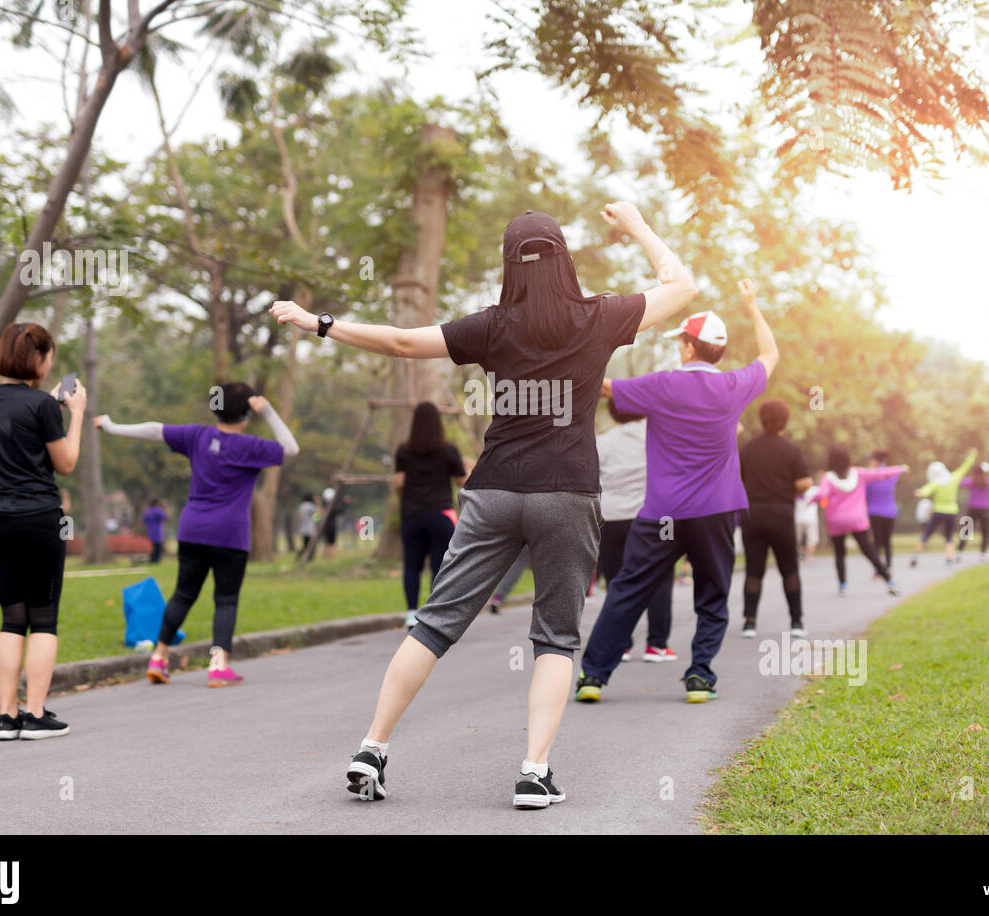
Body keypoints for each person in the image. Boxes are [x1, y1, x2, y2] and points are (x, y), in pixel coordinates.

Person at [271, 202, 696, 809]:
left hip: (494, 490)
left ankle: (371, 746)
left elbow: (397, 342)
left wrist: (319, 323)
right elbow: (681, 287)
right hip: (567, 494)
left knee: (437, 622)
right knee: (554, 639)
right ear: (565, 260)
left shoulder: (492, 326)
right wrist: (635, 226)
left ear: (509, 266)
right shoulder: (599, 316)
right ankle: (533, 773)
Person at [578, 288, 778, 706]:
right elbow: (770, 355)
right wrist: (754, 308)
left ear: (688, 347)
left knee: (628, 590)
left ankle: (594, 676)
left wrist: (562, 357)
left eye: (681, 343)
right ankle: (700, 677)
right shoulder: (735, 385)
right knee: (713, 593)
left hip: (662, 515)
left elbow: (603, 388)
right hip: (717, 511)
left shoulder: (662, 385)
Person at [95, 383, 298, 687]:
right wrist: (266, 410)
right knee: (225, 600)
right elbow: (291, 448)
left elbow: (154, 430)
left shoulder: (196, 436)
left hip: (193, 530)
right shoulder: (251, 447)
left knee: (183, 594)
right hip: (230, 535)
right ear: (245, 415)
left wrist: (111, 427)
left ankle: (159, 659)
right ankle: (218, 667)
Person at [0, 322, 85, 741]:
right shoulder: (43, 407)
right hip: (40, 519)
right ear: (37, 358)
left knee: (10, 619)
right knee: (43, 618)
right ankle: (35, 715)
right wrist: (75, 414)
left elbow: (17, 434)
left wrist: (49, 407)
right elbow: (66, 463)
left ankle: (6, 716)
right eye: (49, 354)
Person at [597, 396, 676, 662]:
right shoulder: (657, 438)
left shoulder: (602, 442)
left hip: (610, 518)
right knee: (661, 577)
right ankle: (657, 645)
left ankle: (622, 644)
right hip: (651, 518)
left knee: (616, 580)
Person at [738, 398, 812, 638]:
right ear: (785, 420)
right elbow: (803, 484)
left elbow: (736, 479)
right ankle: (796, 622)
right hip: (781, 517)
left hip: (752, 516)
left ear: (762, 420)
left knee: (753, 570)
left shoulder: (747, 449)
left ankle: (749, 622)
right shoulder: (791, 450)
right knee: (789, 569)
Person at [396, 401, 471, 628]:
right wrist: (469, 467)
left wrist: (410, 500)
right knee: (439, 566)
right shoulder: (448, 450)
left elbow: (399, 484)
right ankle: (431, 615)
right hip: (440, 514)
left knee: (412, 565)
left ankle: (411, 613)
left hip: (412, 515)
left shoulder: (403, 450)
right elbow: (462, 481)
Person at [811, 445, 905, 596]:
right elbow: (881, 474)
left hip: (837, 521)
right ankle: (890, 582)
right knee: (869, 551)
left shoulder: (828, 478)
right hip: (857, 520)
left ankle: (842, 586)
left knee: (839, 553)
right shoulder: (859, 474)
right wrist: (900, 468)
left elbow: (821, 494)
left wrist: (809, 500)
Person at [910, 449, 979, 566]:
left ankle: (916, 557)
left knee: (927, 534)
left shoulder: (936, 482)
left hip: (938, 512)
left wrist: (920, 492)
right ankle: (948, 559)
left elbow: (927, 490)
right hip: (951, 512)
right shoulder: (953, 478)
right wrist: (972, 456)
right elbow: (964, 468)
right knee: (949, 536)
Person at [865, 449, 899, 572]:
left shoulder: (870, 477)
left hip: (875, 512)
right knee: (887, 541)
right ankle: (888, 567)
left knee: (877, 542)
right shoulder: (892, 474)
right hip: (890, 512)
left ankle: (878, 568)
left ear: (875, 461)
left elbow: (866, 495)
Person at [795, 476, 822, 563]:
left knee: (797, 538)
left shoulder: (796, 490)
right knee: (812, 538)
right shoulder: (814, 490)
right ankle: (809, 557)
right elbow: (823, 497)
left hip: (798, 518)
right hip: (811, 518)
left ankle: (800, 555)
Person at [142, 498, 168, 564]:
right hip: (157, 533)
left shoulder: (148, 511)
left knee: (151, 549)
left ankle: (152, 561)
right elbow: (166, 517)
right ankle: (156, 561)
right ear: (157, 503)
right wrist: (165, 507)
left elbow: (144, 521)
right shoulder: (158, 510)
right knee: (157, 549)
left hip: (149, 533)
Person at [296, 492, 318, 559]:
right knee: (310, 545)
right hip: (310, 529)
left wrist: (297, 527)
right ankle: (307, 557)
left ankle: (301, 556)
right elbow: (317, 518)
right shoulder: (312, 506)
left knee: (305, 544)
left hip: (302, 528)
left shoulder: (301, 506)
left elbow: (297, 517)